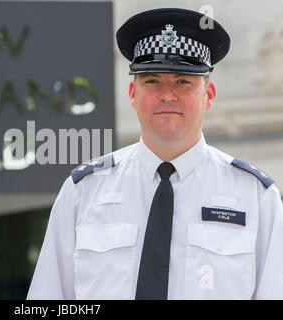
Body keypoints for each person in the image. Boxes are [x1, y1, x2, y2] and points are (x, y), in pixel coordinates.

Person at [27, 8, 283, 300]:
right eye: (152, 81)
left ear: (209, 95)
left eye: (183, 82)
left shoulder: (255, 198)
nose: (167, 95)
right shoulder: (83, 193)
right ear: (133, 94)